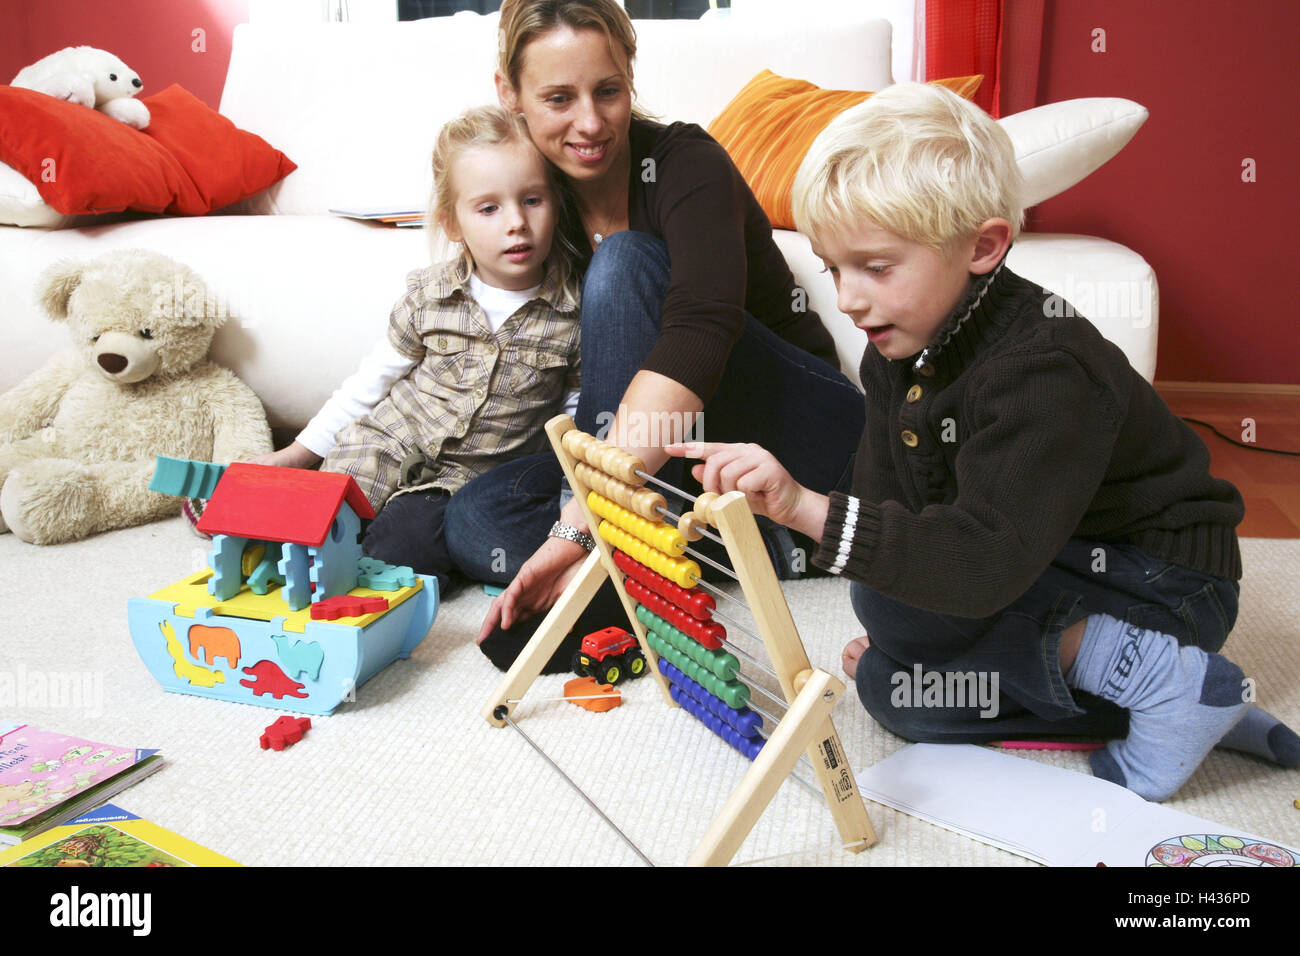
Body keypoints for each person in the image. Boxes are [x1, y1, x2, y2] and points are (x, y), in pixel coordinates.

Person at [666, 82, 1299, 801]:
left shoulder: (1044, 367)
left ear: (984, 246)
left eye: (876, 267)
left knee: (901, 612)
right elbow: (892, 505)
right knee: (894, 688)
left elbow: (984, 563)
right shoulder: (896, 349)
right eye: (833, 267)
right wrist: (907, 637)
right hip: (1049, 558)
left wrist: (806, 509)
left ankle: (1156, 673)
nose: (847, 298)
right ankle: (1195, 700)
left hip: (1167, 588)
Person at [456, 0, 866, 671]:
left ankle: (629, 555)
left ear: (630, 76)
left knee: (624, 261)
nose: (590, 122)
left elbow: (702, 327)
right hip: (669, 462)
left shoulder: (685, 164)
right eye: (558, 98)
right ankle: (721, 551)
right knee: (475, 514)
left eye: (607, 91)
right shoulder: (534, 198)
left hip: (797, 436)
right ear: (510, 94)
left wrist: (583, 522)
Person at [253, 105, 581, 596]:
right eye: (488, 209)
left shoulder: (573, 313)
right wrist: (298, 454)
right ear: (453, 224)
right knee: (318, 517)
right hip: (388, 440)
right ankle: (251, 522)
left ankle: (368, 553)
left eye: (532, 200)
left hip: (464, 478)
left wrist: (568, 507)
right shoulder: (430, 296)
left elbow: (574, 415)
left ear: (556, 203)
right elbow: (371, 382)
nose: (516, 223)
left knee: (403, 552)